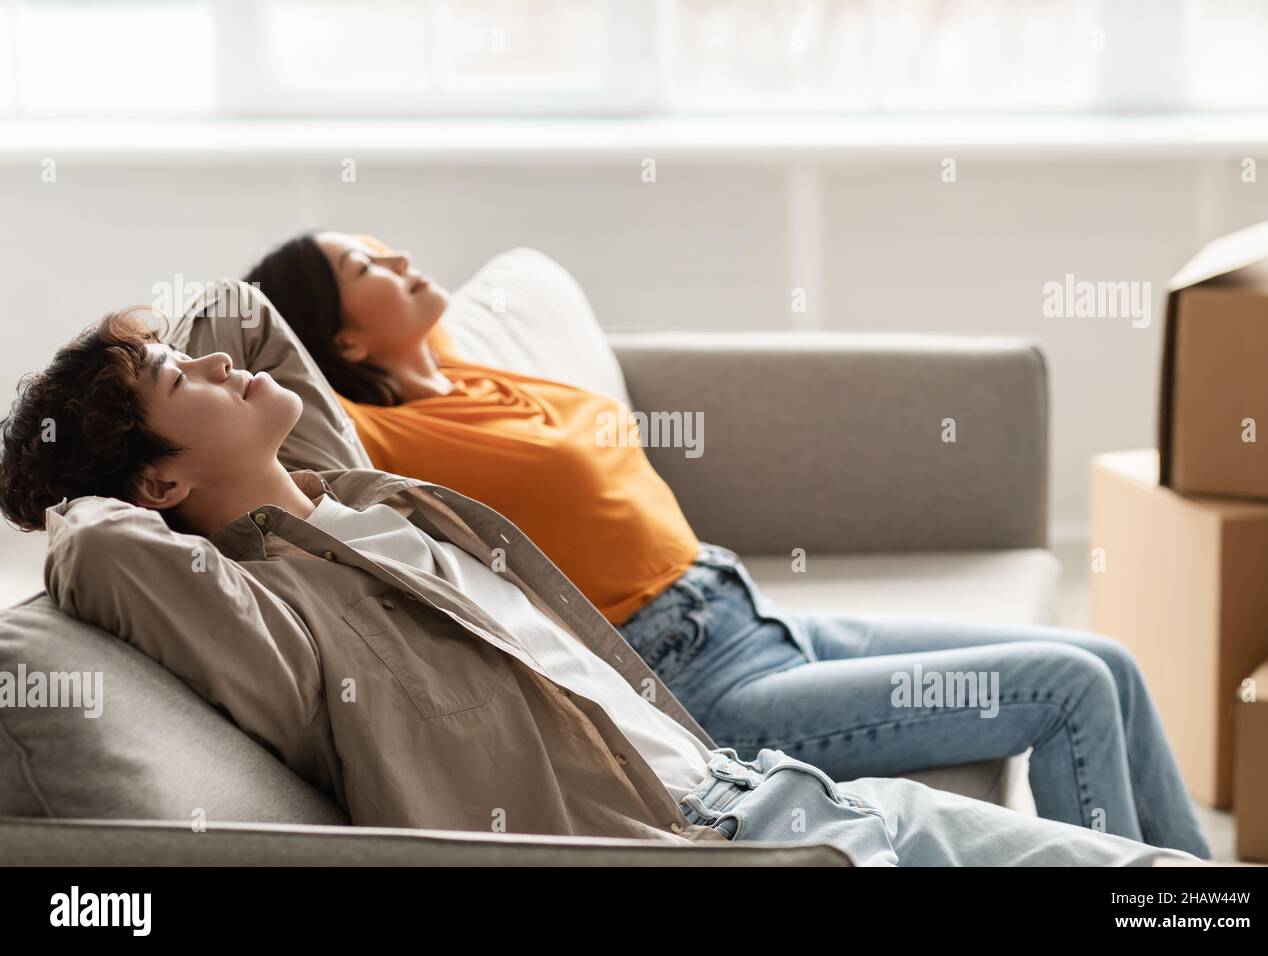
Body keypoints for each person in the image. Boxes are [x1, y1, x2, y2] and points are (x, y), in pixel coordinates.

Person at [0, 291, 1203, 866]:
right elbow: (101, 546)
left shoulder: (358, 497)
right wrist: (70, 472)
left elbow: (246, 315)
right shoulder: (272, 607)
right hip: (718, 838)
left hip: (762, 786)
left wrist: (151, 371)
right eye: (180, 375)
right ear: (154, 486)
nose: (214, 360)